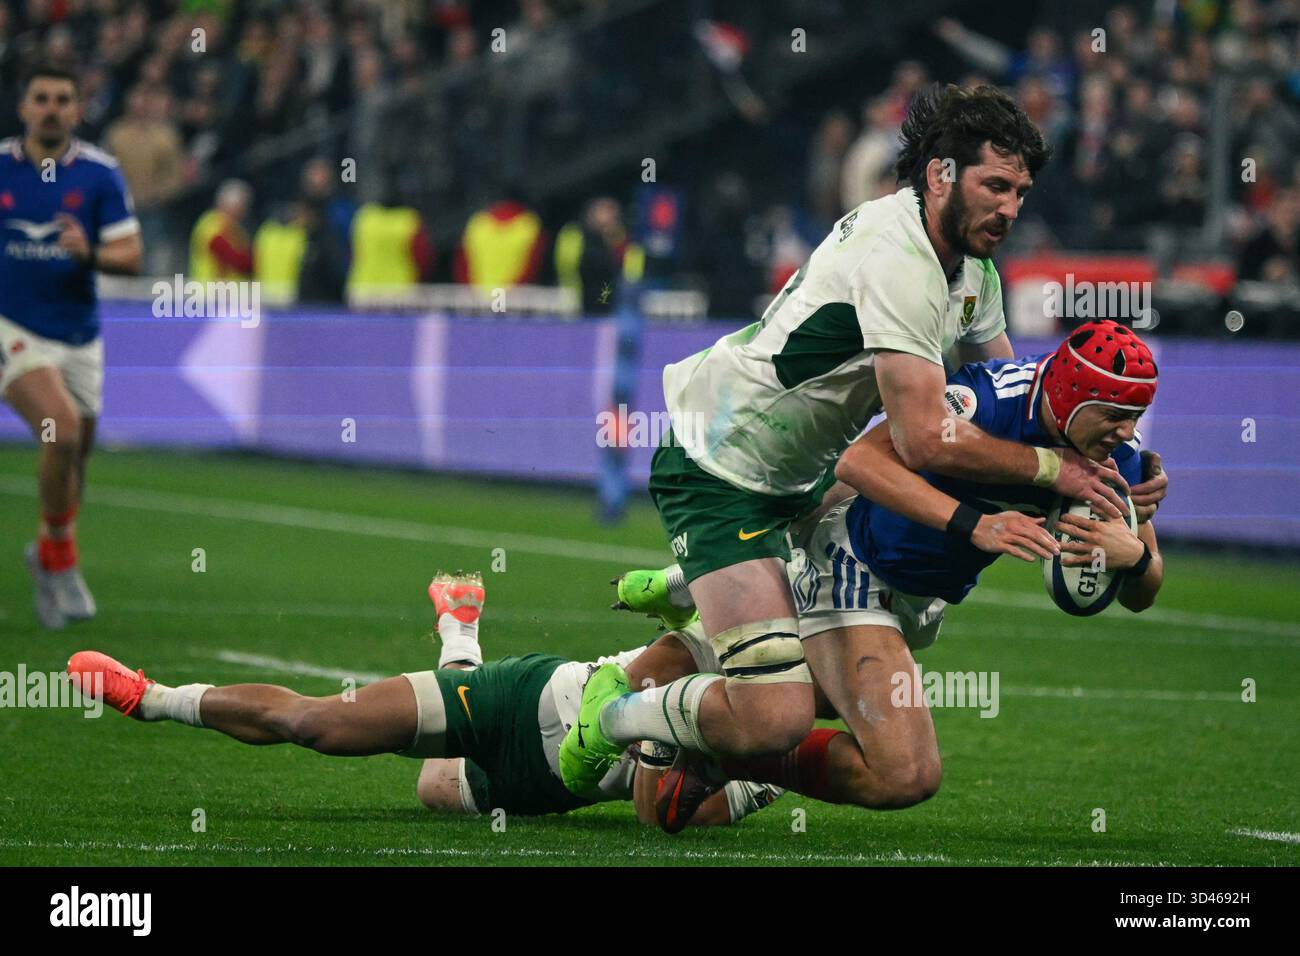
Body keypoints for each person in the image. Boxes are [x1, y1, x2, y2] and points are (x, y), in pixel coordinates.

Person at [558, 84, 1168, 798]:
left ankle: (681, 588)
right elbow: (926, 440)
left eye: (1021, 191)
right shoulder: (900, 257)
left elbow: (1003, 407)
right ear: (940, 174)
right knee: (774, 716)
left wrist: (1116, 496)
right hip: (723, 461)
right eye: (995, 185)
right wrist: (1045, 474)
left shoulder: (972, 271)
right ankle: (615, 710)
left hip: (802, 472)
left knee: (840, 516)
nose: (1011, 208)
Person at [620, 321, 1165, 831]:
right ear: (1070, 397)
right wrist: (976, 524)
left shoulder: (1119, 458)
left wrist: (1134, 558)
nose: (1128, 431)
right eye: (1115, 414)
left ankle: (698, 711)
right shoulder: (982, 399)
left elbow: (1143, 594)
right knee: (905, 773)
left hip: (917, 599)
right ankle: (707, 741)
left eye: (1137, 416)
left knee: (679, 807)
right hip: (856, 569)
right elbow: (858, 464)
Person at [65, 572, 780, 829]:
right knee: (321, 724)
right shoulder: (713, 644)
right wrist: (666, 733)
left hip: (547, 790)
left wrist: (675, 754)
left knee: (430, 786)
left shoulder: (777, 743)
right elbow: (631, 712)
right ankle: (155, 697)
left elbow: (662, 818)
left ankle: (459, 629)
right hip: (528, 702)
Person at [0, 64, 143, 629]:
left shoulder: (101, 175)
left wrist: (87, 253)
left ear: (77, 110)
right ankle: (62, 558)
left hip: (79, 334)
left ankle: (45, 552)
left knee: (74, 457)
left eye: (63, 98)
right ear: (25, 108)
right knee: (57, 424)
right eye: (42, 98)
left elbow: (130, 256)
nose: (52, 107)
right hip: (11, 324)